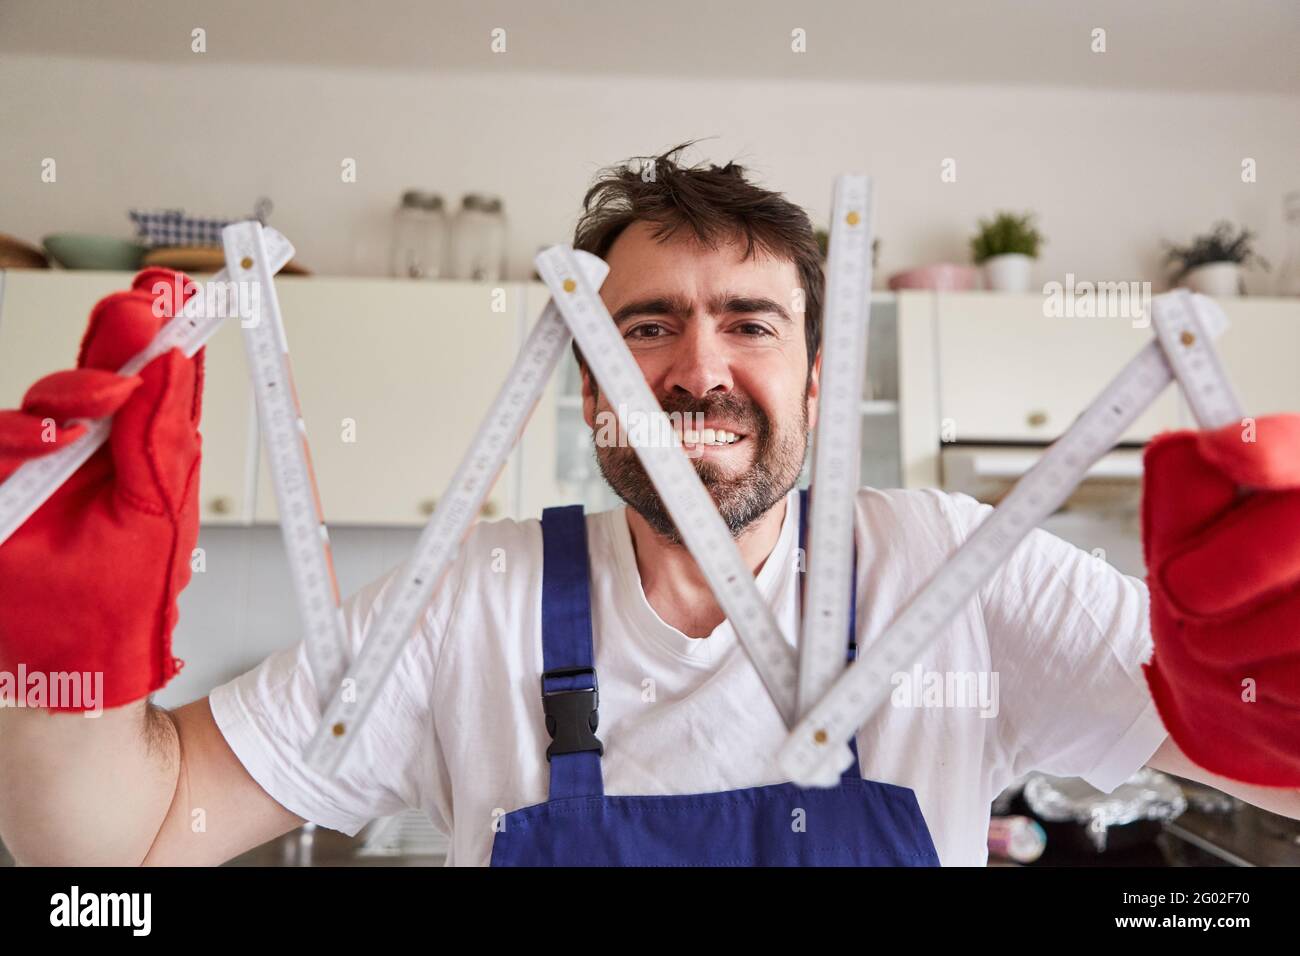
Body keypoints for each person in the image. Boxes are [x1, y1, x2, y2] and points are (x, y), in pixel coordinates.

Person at [1, 145, 1297, 866]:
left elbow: (1262, 777)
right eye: (647, 328)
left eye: (752, 324)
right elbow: (132, 842)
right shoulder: (475, 598)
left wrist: (1271, 697)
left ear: (821, 378)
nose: (702, 368)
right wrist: (58, 679)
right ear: (585, 387)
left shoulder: (960, 572)